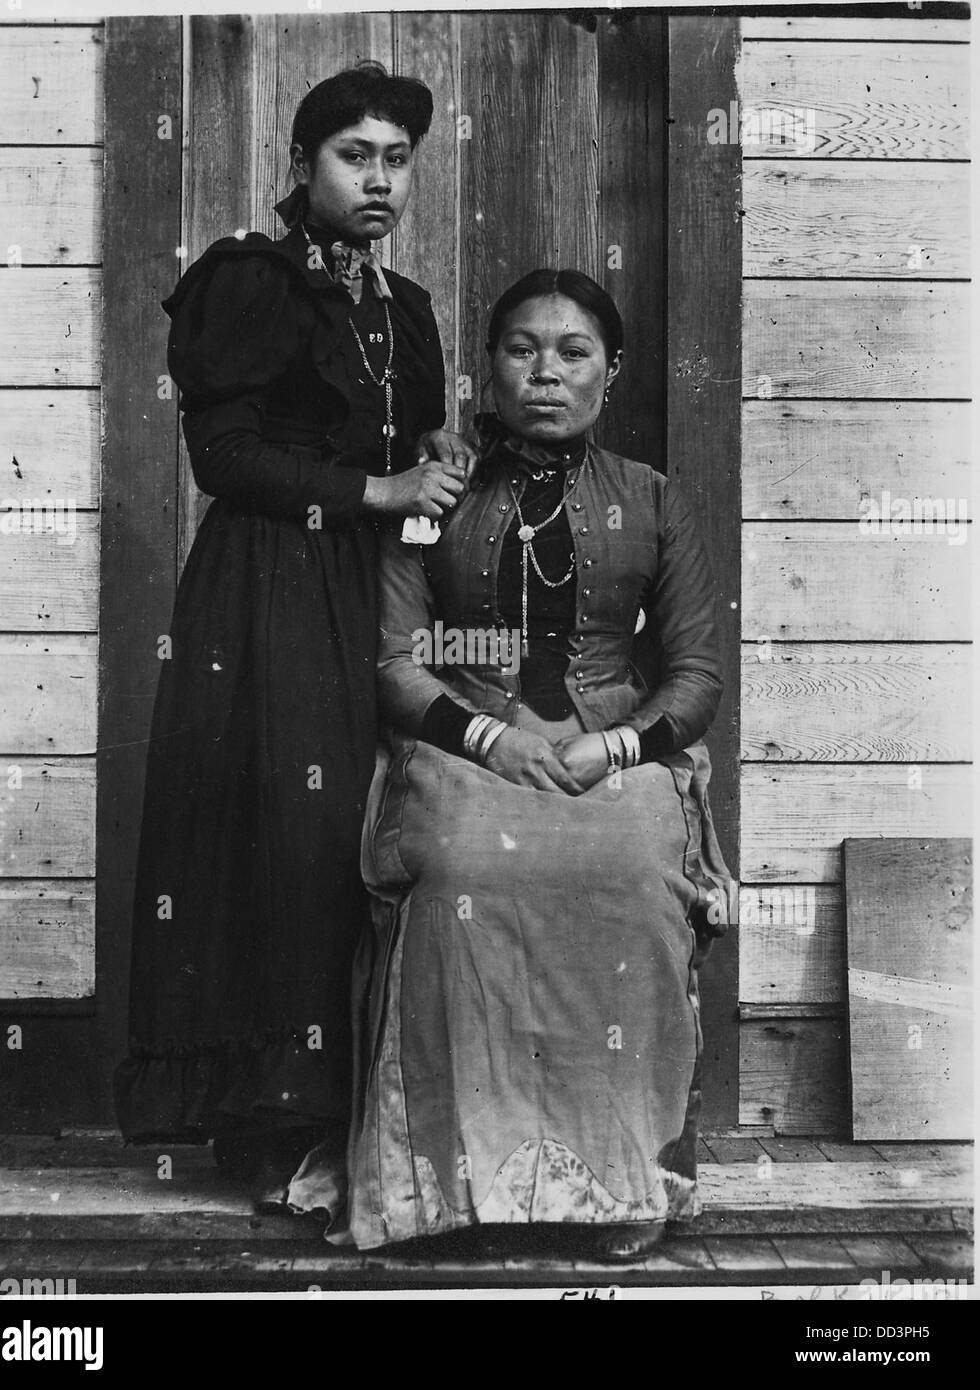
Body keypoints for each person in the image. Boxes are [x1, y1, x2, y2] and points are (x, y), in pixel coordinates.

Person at [296, 269, 734, 1258]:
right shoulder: (432, 492)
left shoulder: (652, 499)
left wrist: (615, 744)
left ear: (608, 372)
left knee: (628, 874)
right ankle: (440, 1190)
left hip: (607, 747)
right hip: (464, 737)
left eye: (572, 352)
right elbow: (393, 659)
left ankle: (619, 1185)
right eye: (520, 349)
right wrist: (490, 737)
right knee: (463, 870)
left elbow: (698, 673)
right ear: (484, 369)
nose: (545, 373)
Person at [114, 61, 476, 1208]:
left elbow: (410, 455)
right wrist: (382, 490)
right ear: (300, 165)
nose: (378, 180)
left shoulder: (399, 306)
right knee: (286, 829)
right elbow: (222, 459)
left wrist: (439, 479)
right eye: (353, 156)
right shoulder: (249, 280)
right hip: (264, 583)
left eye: (396, 159)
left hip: (370, 584)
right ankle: (270, 1135)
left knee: (372, 824)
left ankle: (353, 1117)